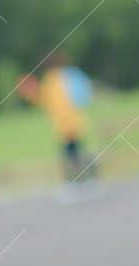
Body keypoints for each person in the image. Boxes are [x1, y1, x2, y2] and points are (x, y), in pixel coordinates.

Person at [18, 52, 96, 186]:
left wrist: (30, 92)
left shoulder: (53, 80)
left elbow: (44, 99)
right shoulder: (67, 76)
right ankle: (84, 179)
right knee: (75, 152)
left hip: (66, 124)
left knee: (72, 154)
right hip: (71, 123)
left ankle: (80, 180)